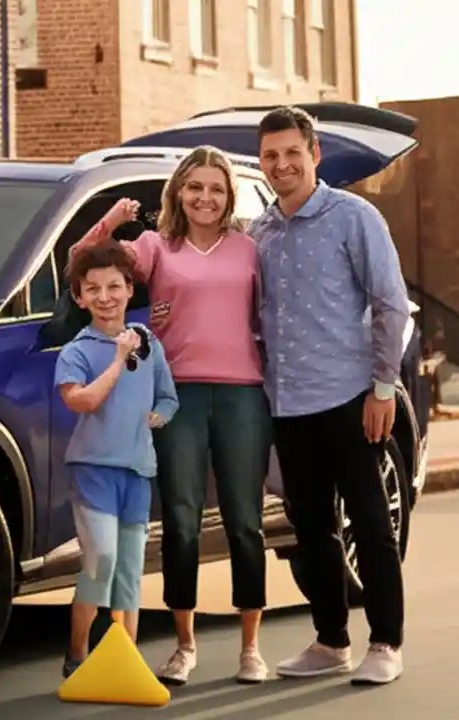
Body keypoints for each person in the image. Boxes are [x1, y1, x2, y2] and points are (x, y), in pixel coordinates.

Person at [70, 147, 272, 686]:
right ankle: (184, 645)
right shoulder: (156, 247)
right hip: (175, 397)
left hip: (242, 397)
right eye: (195, 187)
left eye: (216, 188)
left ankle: (251, 647)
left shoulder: (250, 250)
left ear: (228, 196)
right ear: (178, 192)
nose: (206, 198)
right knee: (181, 522)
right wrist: (113, 219)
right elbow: (86, 261)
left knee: (244, 521)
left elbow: (274, 315)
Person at [249, 106, 409, 686]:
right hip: (287, 405)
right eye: (271, 155)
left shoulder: (354, 217)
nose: (282, 164)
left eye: (293, 152)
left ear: (314, 155)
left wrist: (383, 387)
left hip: (351, 397)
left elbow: (390, 303)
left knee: (369, 523)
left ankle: (386, 642)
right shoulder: (259, 232)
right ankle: (331, 640)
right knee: (310, 528)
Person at [53, 242, 179, 679]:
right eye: (93, 289)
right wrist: (118, 358)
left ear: (129, 290)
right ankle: (77, 654)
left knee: (128, 570)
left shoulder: (150, 343)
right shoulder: (77, 351)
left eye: (113, 286)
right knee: (100, 560)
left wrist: (161, 415)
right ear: (80, 297)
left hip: (138, 472)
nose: (104, 297)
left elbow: (169, 396)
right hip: (93, 471)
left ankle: (125, 660)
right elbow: (82, 401)